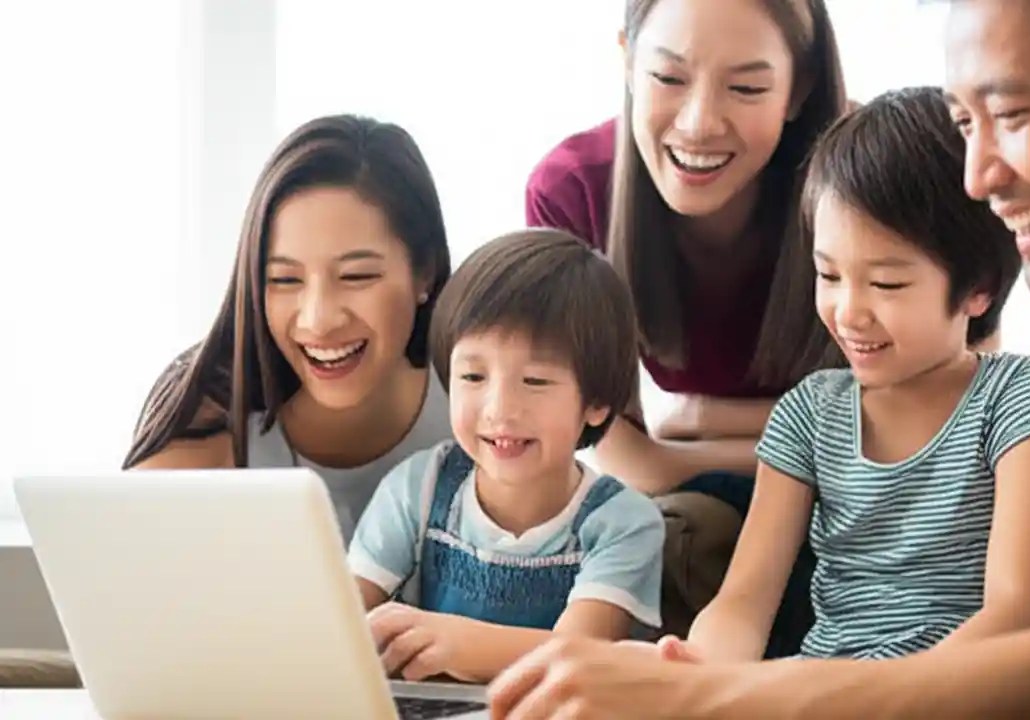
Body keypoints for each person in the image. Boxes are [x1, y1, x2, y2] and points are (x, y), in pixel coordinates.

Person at [486, 1, 1030, 717]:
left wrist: (718, 695)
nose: (978, 179)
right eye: (966, 124)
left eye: (1009, 112)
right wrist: (688, 668)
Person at [656, 87, 1030, 666]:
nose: (848, 311)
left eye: (886, 284)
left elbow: (1015, 612)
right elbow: (743, 603)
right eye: (828, 275)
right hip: (820, 690)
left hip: (960, 693)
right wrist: (702, 669)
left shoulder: (1017, 398)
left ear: (978, 287)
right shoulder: (810, 414)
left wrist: (862, 696)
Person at [525, 0, 849, 654]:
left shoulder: (867, 178)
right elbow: (625, 453)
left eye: (747, 87)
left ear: (800, 87)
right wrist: (746, 434)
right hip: (760, 478)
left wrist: (703, 422)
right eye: (668, 79)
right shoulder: (573, 191)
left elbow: (932, 418)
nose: (700, 124)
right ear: (627, 60)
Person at [348, 229, 664, 683]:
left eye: (535, 381)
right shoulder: (418, 486)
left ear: (596, 401)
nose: (499, 409)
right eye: (473, 376)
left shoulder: (624, 523)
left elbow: (578, 655)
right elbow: (341, 618)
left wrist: (452, 641)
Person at [125, 114, 453, 545]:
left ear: (424, 273)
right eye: (284, 280)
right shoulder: (211, 404)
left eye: (356, 277)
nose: (318, 319)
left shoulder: (482, 391)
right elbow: (131, 579)